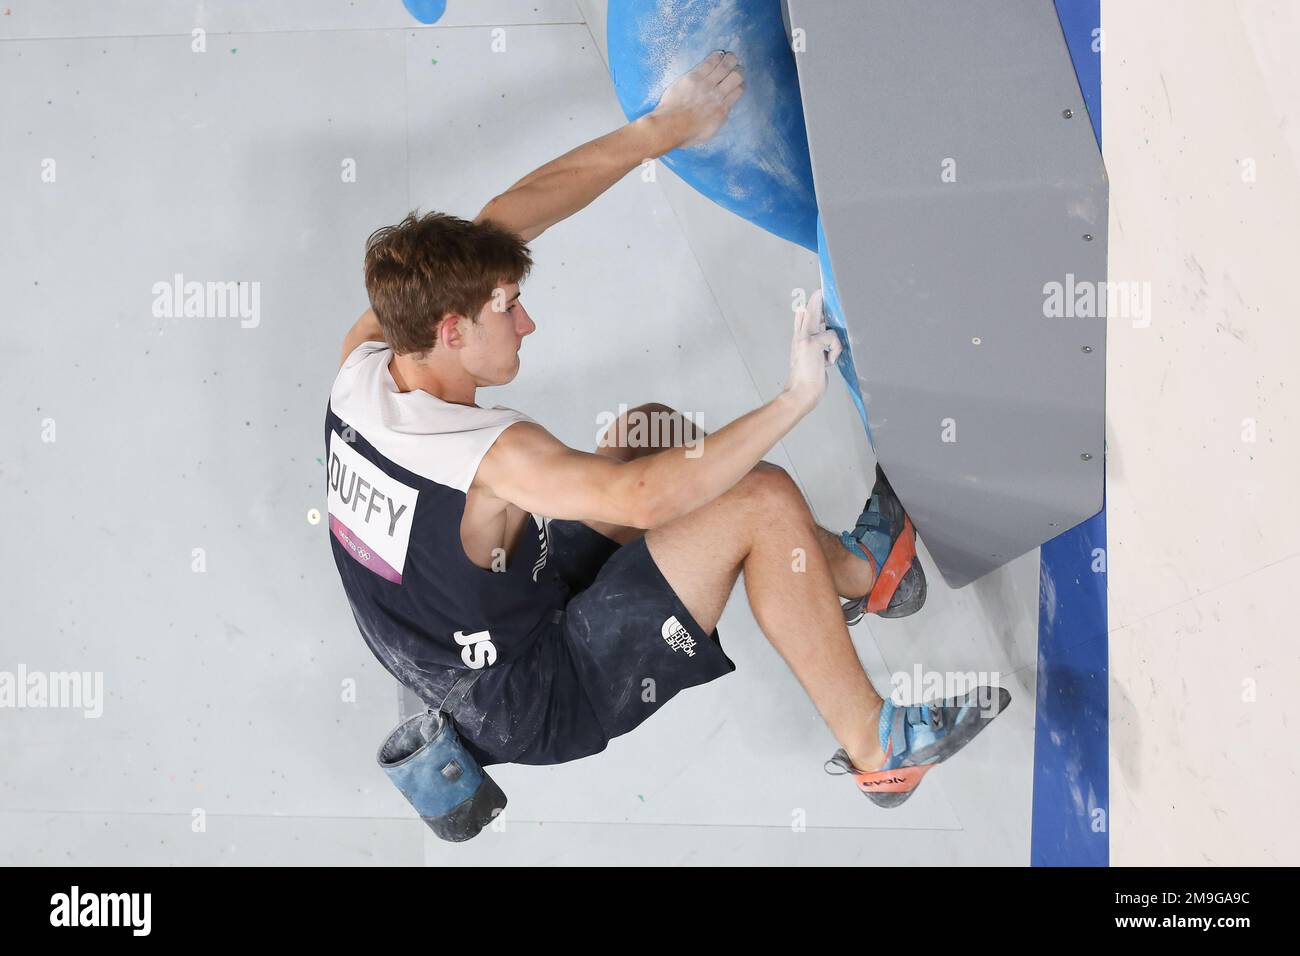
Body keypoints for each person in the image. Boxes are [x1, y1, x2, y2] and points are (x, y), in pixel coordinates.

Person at [327, 52, 1007, 807]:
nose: (527, 320)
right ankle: (878, 747)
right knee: (760, 501)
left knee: (651, 430)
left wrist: (662, 130)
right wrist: (793, 398)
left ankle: (860, 577)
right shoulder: (488, 457)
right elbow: (646, 500)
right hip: (536, 694)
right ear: (451, 331)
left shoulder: (367, 361)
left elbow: (508, 214)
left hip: (478, 624)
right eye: (506, 308)